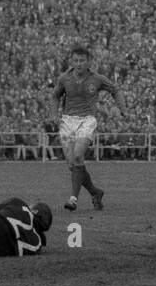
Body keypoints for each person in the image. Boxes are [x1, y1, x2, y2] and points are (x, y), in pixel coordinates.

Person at [49, 46, 123, 211]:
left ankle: (73, 199)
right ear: (72, 61)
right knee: (73, 165)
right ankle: (95, 192)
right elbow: (55, 96)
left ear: (89, 62)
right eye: (75, 60)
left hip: (87, 120)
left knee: (77, 155)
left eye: (82, 60)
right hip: (67, 121)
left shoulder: (97, 79)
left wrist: (122, 108)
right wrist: (53, 114)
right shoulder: (64, 78)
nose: (78, 63)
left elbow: (115, 90)